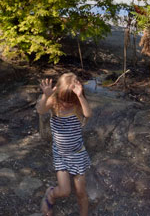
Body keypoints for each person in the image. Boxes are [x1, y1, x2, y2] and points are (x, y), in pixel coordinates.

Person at [37, 73, 92, 216]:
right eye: (63, 100)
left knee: (81, 192)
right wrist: (45, 96)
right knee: (65, 191)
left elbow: (88, 114)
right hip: (61, 155)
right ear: (58, 94)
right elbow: (40, 110)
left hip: (77, 154)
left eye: (70, 101)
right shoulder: (54, 102)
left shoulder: (77, 106)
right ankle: (50, 193)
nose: (66, 104)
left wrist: (80, 97)